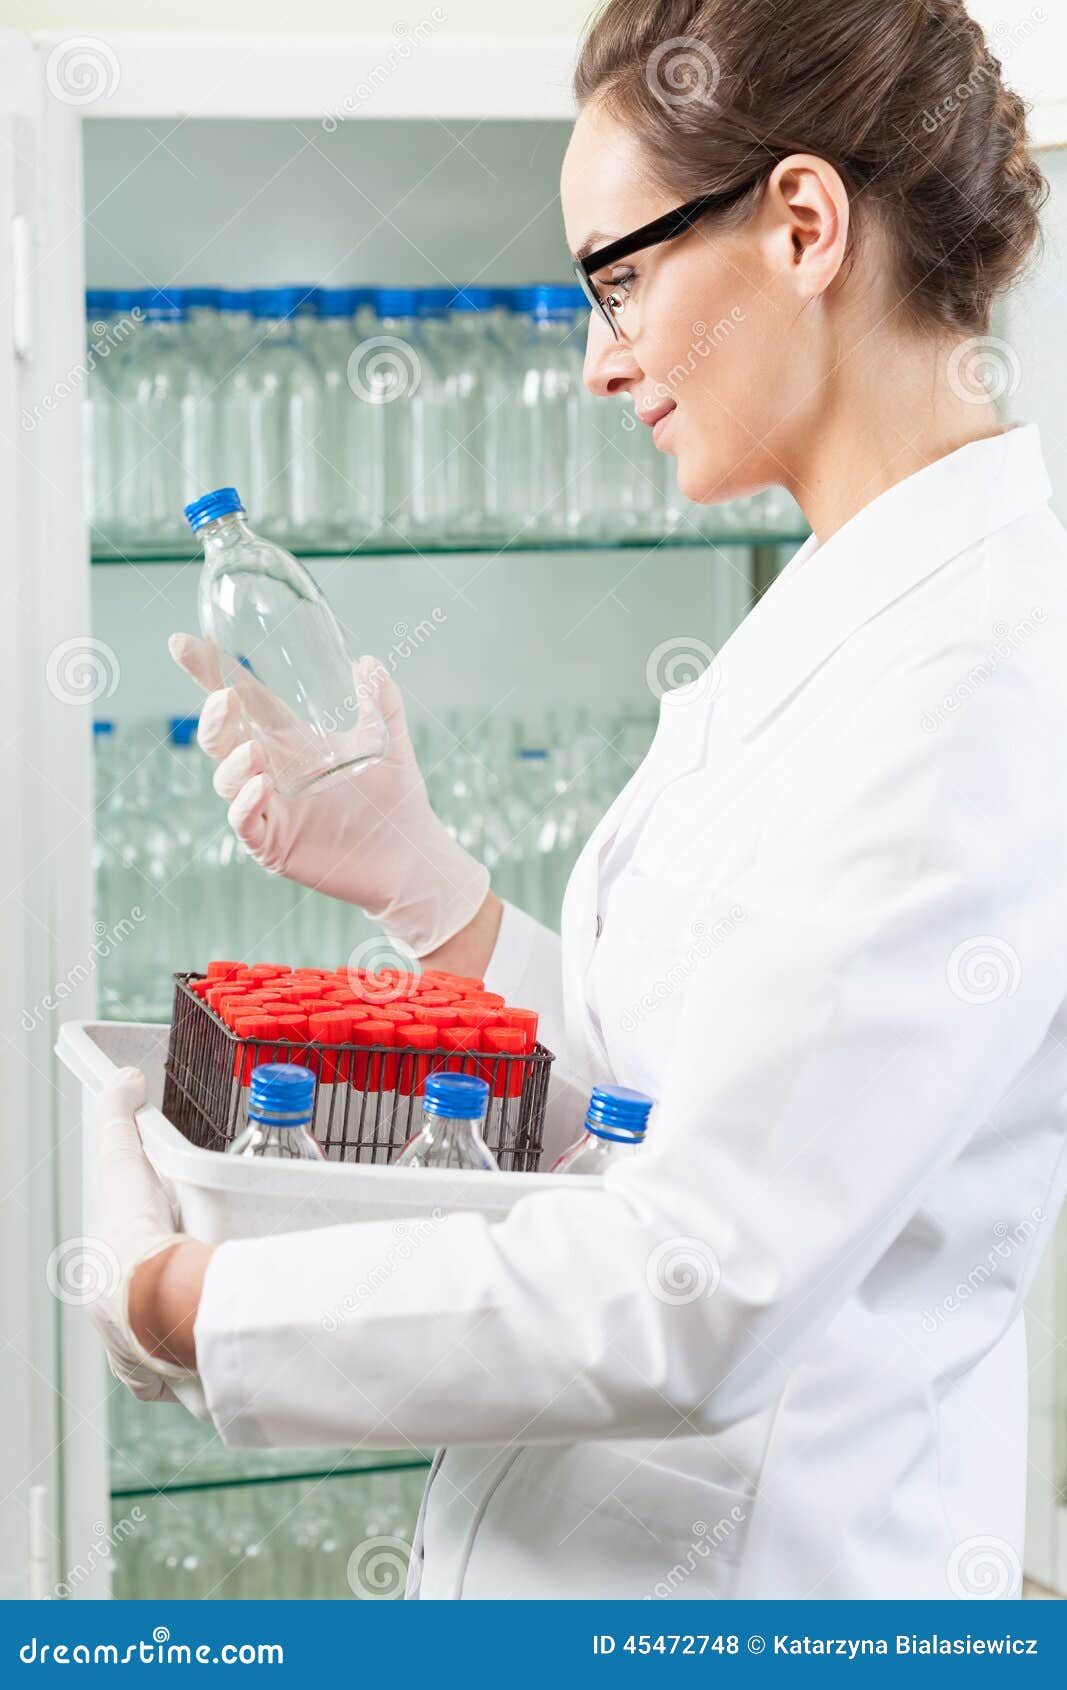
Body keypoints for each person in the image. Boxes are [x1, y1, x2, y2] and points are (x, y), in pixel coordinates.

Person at [89, 0, 1067, 1599]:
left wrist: (194, 1303)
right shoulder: (848, 609)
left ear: (804, 223)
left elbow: (701, 1280)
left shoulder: (975, 681)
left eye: (618, 278)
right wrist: (433, 893)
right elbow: (664, 1102)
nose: (600, 360)